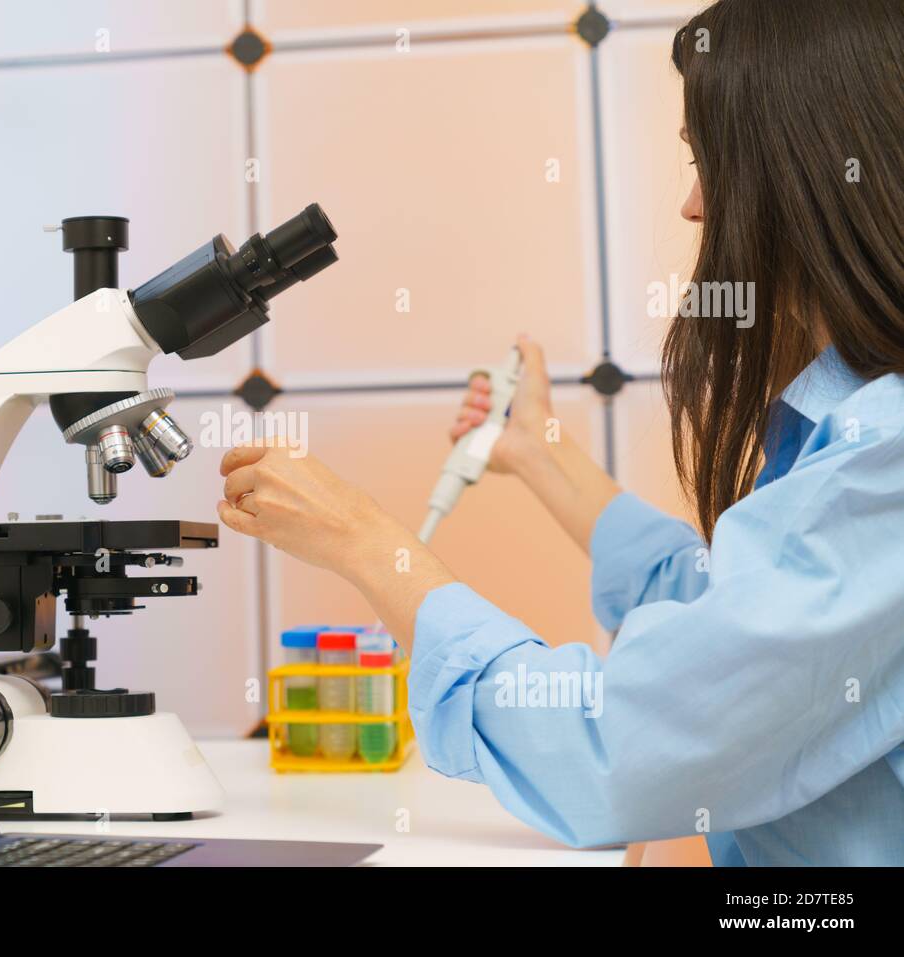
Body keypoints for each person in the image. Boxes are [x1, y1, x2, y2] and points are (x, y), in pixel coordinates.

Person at [215, 0, 904, 866]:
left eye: (708, 163)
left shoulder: (886, 466)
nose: (694, 207)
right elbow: (734, 626)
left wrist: (362, 540)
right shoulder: (855, 437)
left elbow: (609, 750)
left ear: (805, 168)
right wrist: (542, 455)